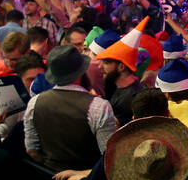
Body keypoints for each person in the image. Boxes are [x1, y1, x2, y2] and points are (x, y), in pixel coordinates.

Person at [23, 44, 118, 172]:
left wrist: (53, 170)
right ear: (81, 72)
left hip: (50, 177)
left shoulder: (34, 103)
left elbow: (31, 150)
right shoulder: (99, 106)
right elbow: (108, 157)